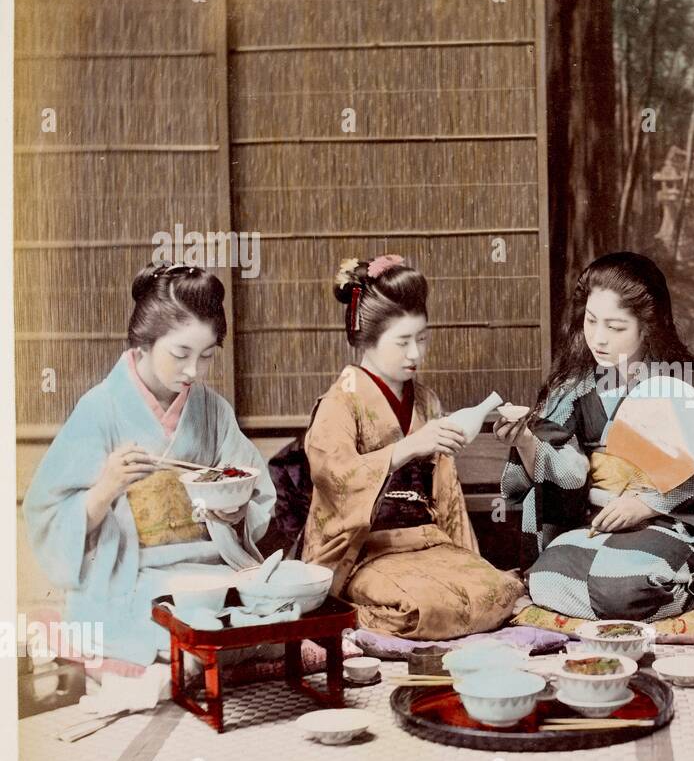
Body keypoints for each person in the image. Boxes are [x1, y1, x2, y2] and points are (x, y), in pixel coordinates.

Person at [25, 262, 274, 668]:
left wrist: (234, 510)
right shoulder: (100, 408)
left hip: (209, 568)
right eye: (180, 354)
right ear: (143, 344)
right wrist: (106, 487)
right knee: (198, 643)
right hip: (131, 573)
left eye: (206, 356)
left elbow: (255, 491)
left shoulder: (212, 410)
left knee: (266, 615)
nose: (194, 371)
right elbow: (46, 514)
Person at [496, 251, 694, 621]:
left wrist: (646, 505)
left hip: (667, 524)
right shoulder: (573, 390)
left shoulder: (684, 387)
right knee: (545, 578)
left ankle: (686, 579)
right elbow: (568, 473)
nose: (599, 338)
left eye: (615, 327)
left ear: (647, 327)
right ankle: (639, 597)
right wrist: (526, 442)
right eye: (591, 321)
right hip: (594, 523)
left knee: (626, 587)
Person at [302, 255, 523, 640]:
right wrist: (407, 448)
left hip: (424, 540)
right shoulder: (341, 401)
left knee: (498, 590)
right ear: (366, 340)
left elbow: (446, 493)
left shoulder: (426, 401)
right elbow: (334, 478)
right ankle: (349, 614)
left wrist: (465, 553)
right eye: (403, 342)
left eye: (422, 339)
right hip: (367, 548)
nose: (416, 354)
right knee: (422, 607)